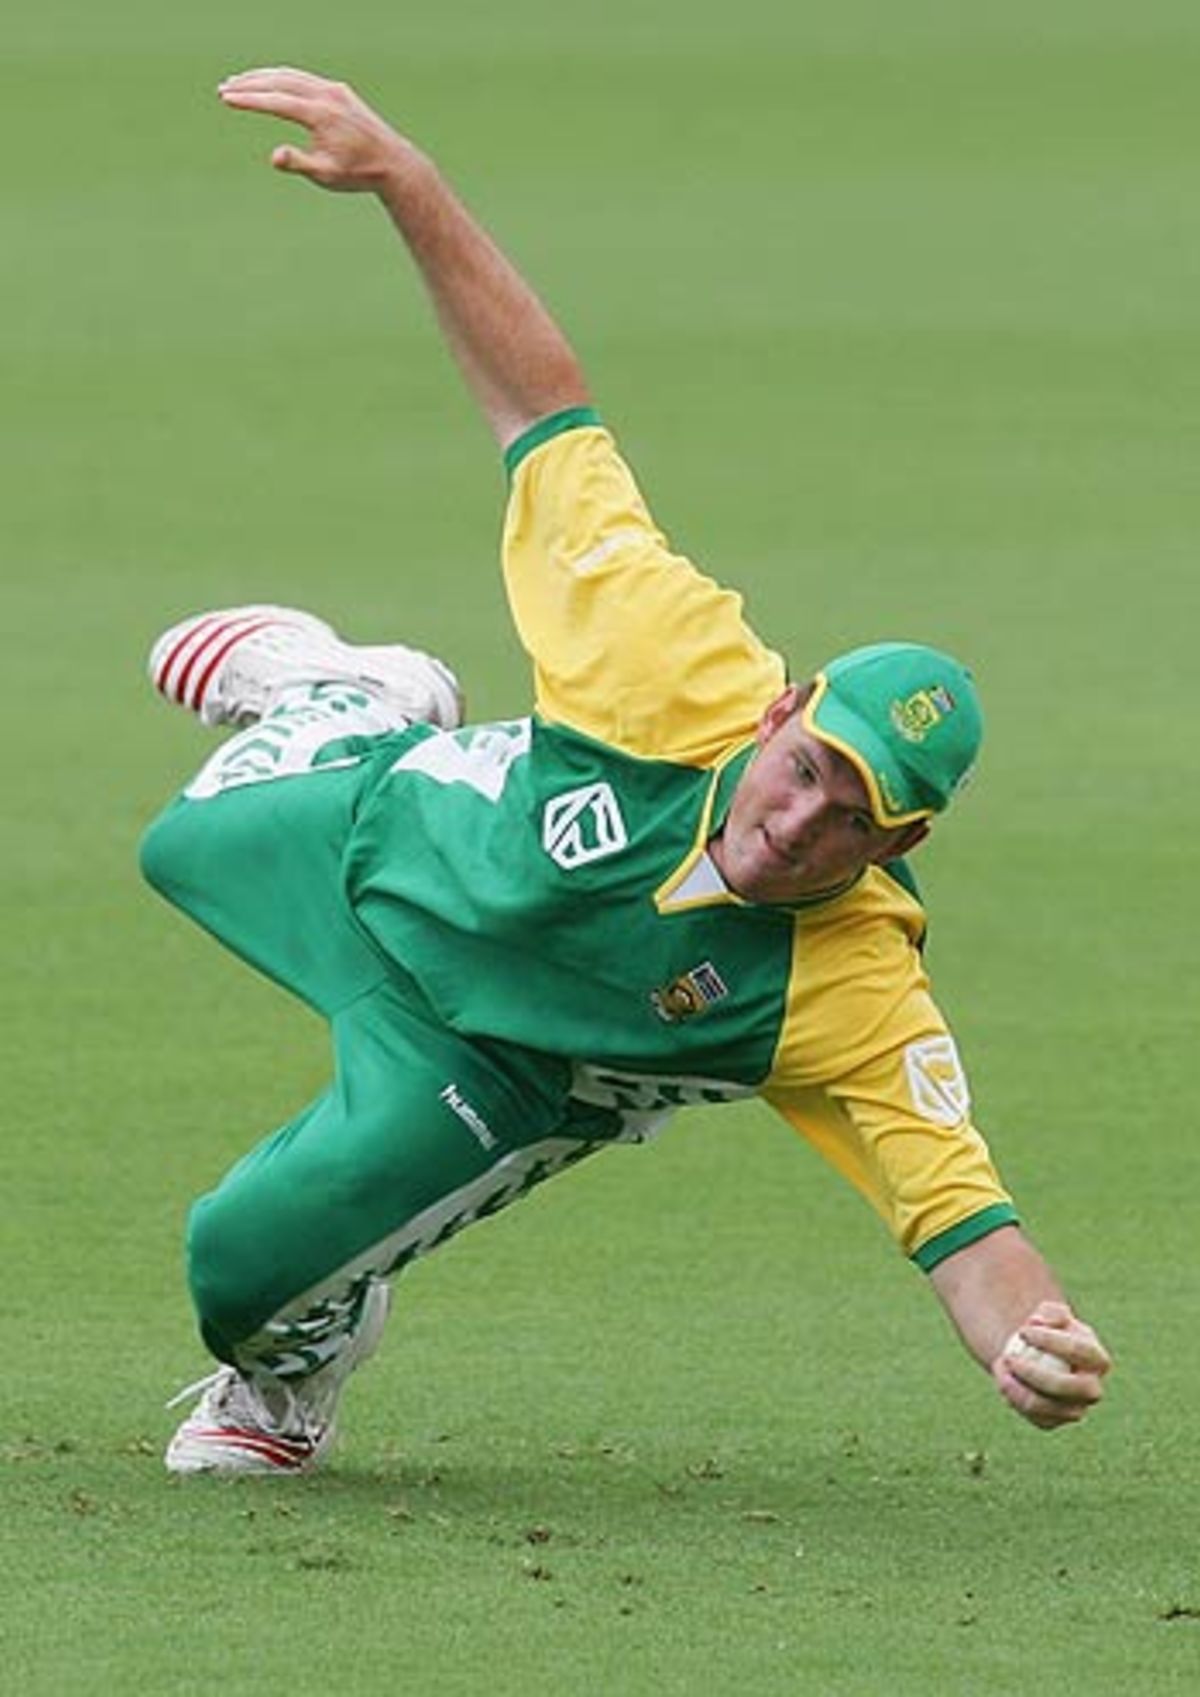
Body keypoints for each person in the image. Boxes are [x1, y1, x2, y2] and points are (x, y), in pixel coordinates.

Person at [141, 67, 1112, 1476]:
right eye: (808, 767)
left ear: (897, 849)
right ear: (780, 711)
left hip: (498, 1065)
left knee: (239, 1264)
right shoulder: (666, 656)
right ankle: (357, 699)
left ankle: (294, 1372)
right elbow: (543, 412)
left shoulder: (846, 988)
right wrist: (410, 181)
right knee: (178, 840)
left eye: (855, 819)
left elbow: (965, 1223)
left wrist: (1033, 1339)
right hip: (390, 838)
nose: (802, 820)